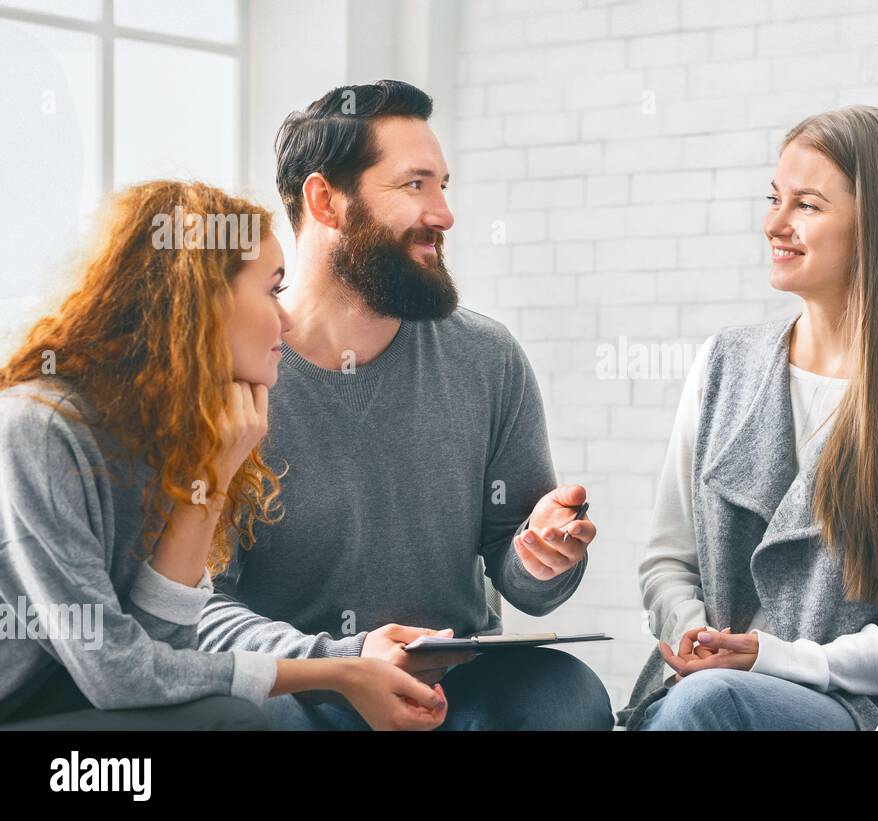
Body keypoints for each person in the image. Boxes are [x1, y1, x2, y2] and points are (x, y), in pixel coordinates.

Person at [196, 79, 613, 731]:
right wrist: (346, 657)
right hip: (303, 689)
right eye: (415, 185)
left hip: (452, 691)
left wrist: (540, 554)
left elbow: (520, 571)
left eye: (442, 185)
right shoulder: (226, 372)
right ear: (326, 200)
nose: (443, 212)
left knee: (568, 696)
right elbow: (198, 608)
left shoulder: (487, 357)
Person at [0, 180, 455, 730]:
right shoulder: (42, 428)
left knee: (224, 714)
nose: (285, 321)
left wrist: (211, 477)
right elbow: (121, 676)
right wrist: (338, 671)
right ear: (198, 300)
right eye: (272, 290)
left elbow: (161, 646)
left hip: (71, 706)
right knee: (230, 720)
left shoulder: (164, 433)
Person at [619, 106, 878, 730]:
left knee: (707, 706)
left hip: (850, 705)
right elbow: (667, 562)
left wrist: (774, 660)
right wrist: (700, 643)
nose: (774, 223)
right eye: (775, 199)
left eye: (807, 205)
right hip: (701, 690)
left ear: (877, 225)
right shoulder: (722, 364)